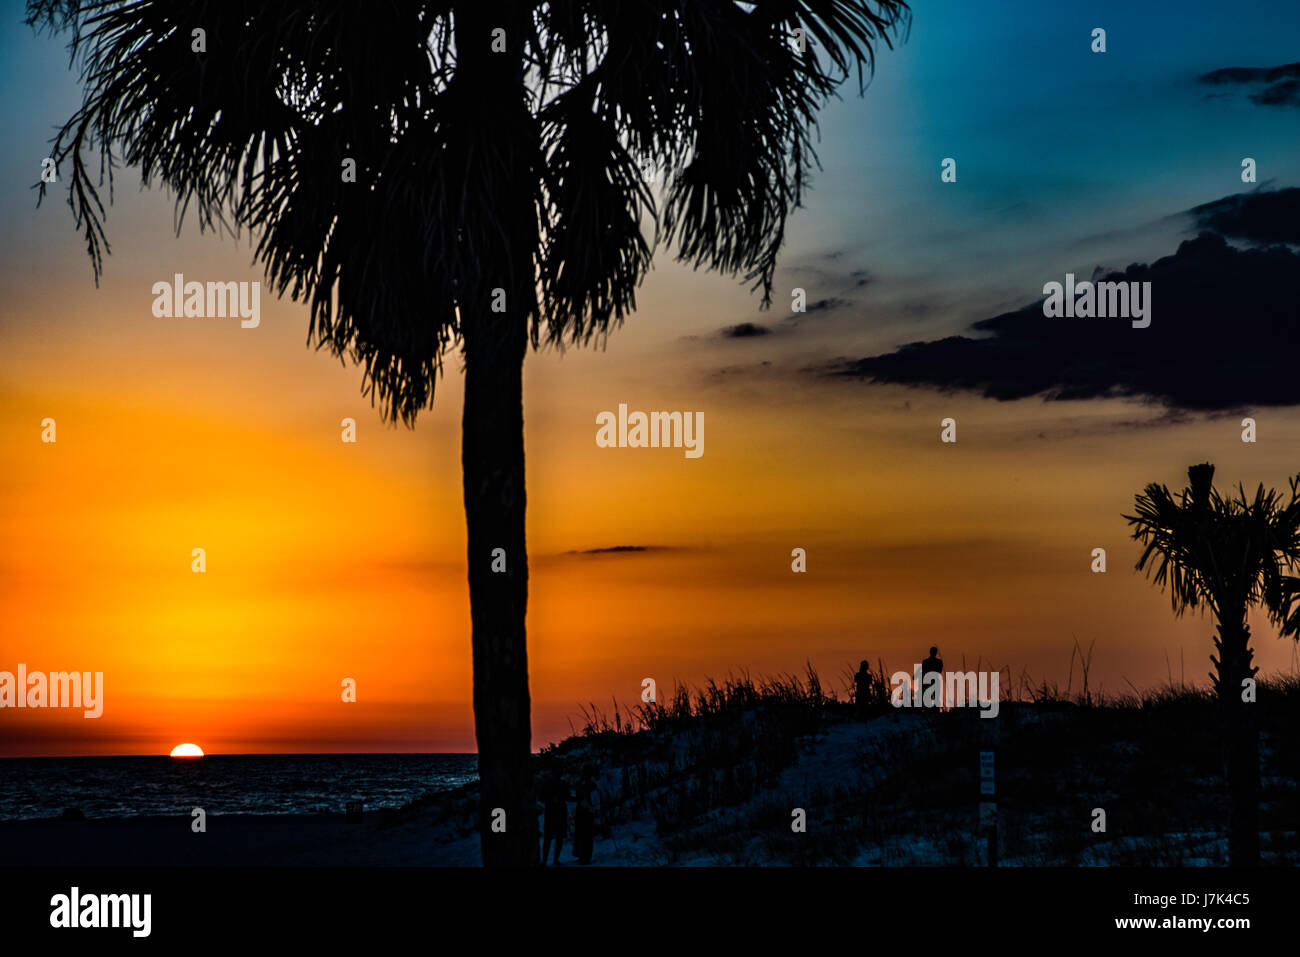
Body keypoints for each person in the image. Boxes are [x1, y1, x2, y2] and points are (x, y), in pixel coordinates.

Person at [541, 767, 568, 866]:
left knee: (550, 838)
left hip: (554, 813)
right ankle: (552, 860)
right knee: (554, 838)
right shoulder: (560, 784)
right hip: (556, 813)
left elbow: (541, 797)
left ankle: (547, 860)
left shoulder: (548, 784)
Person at [571, 767, 599, 865]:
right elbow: (576, 792)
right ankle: (582, 856)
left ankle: (586, 857)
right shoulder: (581, 783)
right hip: (581, 811)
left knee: (587, 834)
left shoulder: (592, 785)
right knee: (581, 834)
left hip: (588, 811)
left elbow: (595, 798)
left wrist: (591, 807)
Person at [921, 646, 944, 710]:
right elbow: (939, 671)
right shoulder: (939, 662)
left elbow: (923, 671)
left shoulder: (925, 661)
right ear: (936, 653)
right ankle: (935, 711)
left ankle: (928, 711)